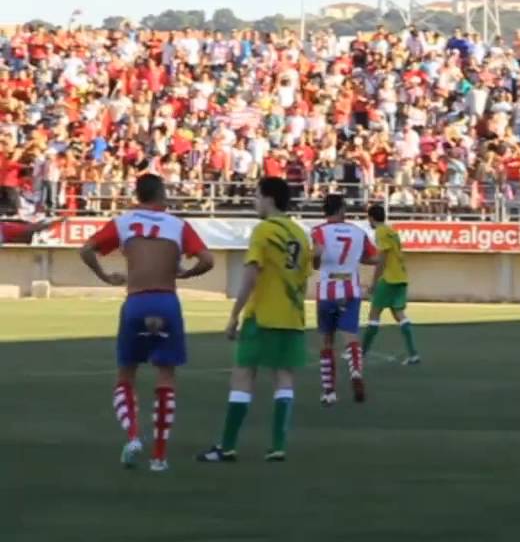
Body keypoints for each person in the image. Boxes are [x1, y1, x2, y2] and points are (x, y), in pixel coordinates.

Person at [78, 173, 215, 472]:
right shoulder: (178, 225)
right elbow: (208, 260)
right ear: (162, 193)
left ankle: (132, 437)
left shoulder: (123, 222)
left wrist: (104, 276)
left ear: (138, 195)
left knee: (126, 376)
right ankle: (159, 456)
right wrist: (186, 274)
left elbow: (86, 249)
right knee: (165, 377)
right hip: (167, 301)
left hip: (137, 301)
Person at [198, 177, 312, 463]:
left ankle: (227, 445)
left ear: (270, 198)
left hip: (262, 316)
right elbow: (304, 277)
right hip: (292, 317)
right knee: (283, 376)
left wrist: (234, 315)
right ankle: (278, 446)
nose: (254, 201)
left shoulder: (263, 231)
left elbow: (251, 275)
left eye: (257, 196)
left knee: (243, 373)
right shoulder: (300, 233)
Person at [311, 193, 379, 405]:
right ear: (341, 210)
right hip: (351, 288)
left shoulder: (319, 231)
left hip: (327, 290)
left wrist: (315, 262)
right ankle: (356, 372)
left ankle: (329, 391)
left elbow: (318, 251)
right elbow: (375, 257)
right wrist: (356, 259)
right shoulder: (358, 232)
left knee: (327, 341)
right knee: (351, 336)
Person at [361, 203, 420, 364]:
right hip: (401, 277)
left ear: (371, 218)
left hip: (388, 278)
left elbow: (382, 259)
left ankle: (361, 353)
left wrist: (373, 282)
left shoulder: (381, 232)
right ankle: (413, 354)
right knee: (399, 314)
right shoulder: (392, 231)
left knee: (374, 315)